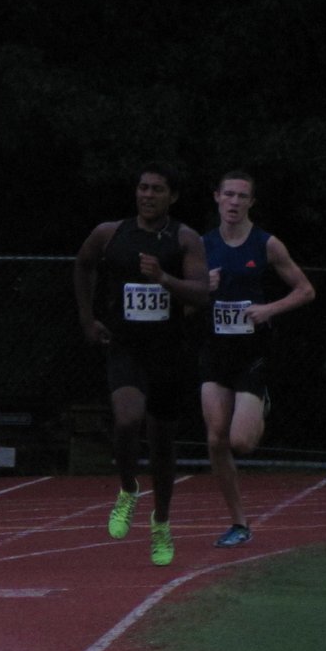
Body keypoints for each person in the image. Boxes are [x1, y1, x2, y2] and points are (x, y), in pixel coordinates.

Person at [73, 163, 208, 566]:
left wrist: (165, 279)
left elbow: (202, 294)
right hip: (125, 347)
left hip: (168, 352)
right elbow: (83, 266)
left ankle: (161, 524)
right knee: (128, 420)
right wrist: (86, 318)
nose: (147, 195)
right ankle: (128, 489)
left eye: (157, 190)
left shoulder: (185, 239)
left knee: (164, 445)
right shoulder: (109, 233)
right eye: (143, 188)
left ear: (173, 197)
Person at [199, 171, 314, 548]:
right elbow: (181, 301)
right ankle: (239, 523)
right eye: (228, 195)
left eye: (242, 196)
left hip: (253, 353)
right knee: (215, 440)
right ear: (216, 197)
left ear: (251, 202)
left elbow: (305, 290)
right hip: (216, 351)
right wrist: (202, 288)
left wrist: (270, 309)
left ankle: (261, 401)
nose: (234, 202)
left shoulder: (267, 244)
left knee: (241, 442)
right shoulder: (200, 246)